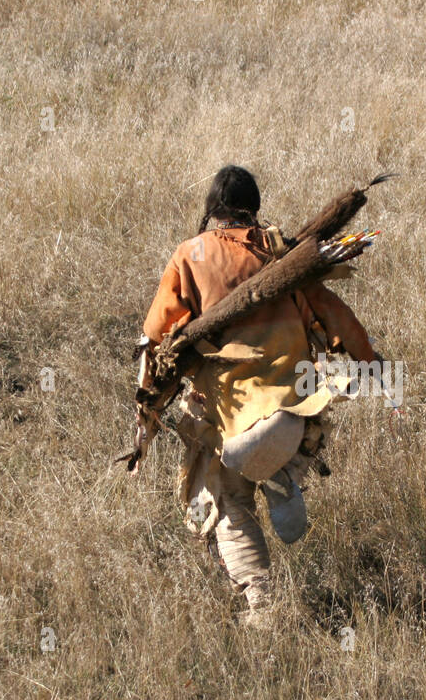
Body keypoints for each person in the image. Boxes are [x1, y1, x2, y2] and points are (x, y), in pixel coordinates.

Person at [141, 165, 379, 626]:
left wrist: (148, 402)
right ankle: (280, 477)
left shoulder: (190, 255)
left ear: (213, 211)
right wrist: (375, 366)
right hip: (294, 414)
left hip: (233, 425)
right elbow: (337, 316)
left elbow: (155, 336)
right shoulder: (284, 255)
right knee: (263, 457)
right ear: (255, 207)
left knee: (229, 500)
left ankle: (262, 605)